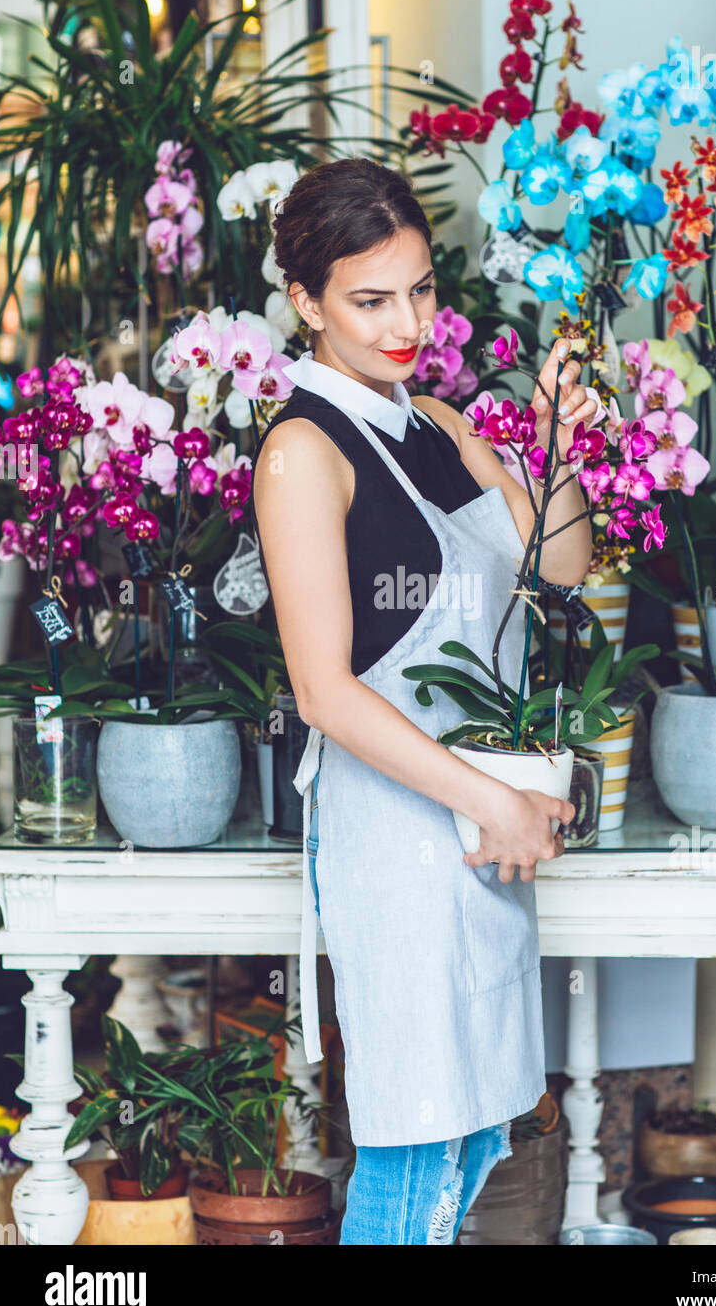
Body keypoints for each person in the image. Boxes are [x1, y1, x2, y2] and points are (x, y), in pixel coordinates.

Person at [250, 157, 598, 1245]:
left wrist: (546, 447)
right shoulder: (303, 453)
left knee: (471, 1138)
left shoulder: (437, 421)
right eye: (369, 299)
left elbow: (567, 565)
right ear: (303, 300)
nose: (406, 322)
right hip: (403, 836)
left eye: (421, 289)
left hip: (479, 831)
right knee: (411, 1159)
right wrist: (490, 804)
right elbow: (324, 691)